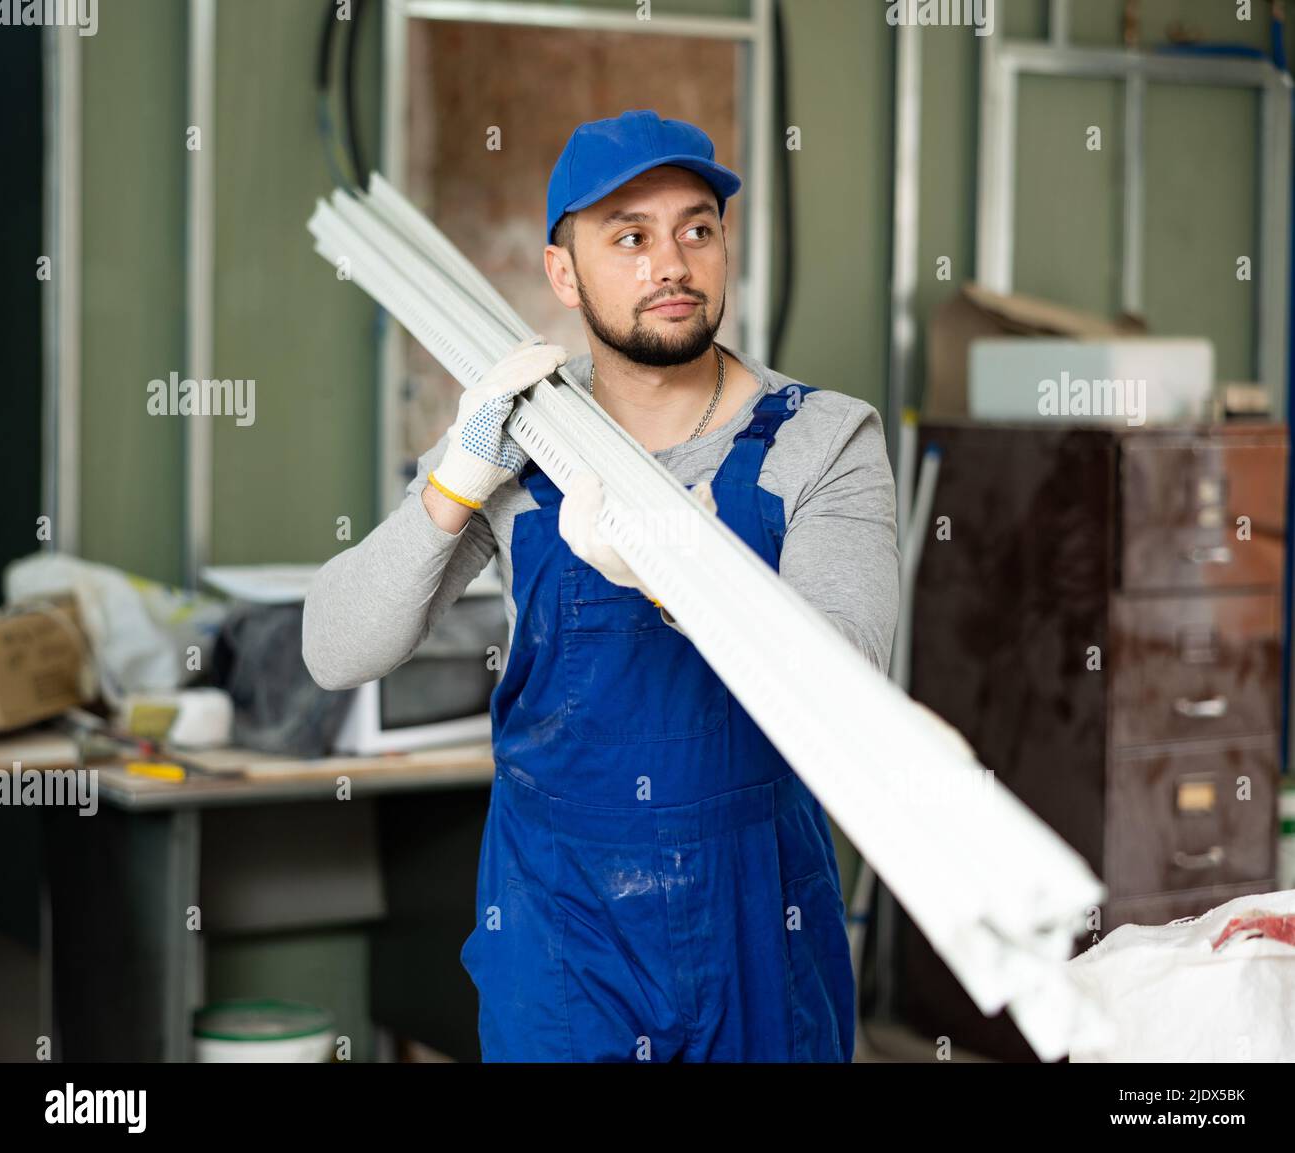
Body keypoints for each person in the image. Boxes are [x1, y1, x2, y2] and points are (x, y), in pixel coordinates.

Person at [303, 109, 899, 1062]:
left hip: (758, 921)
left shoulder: (819, 439)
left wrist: (676, 574)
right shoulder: (525, 439)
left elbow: (849, 679)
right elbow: (334, 649)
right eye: (629, 236)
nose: (671, 263)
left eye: (695, 229)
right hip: (560, 934)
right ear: (563, 274)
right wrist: (455, 481)